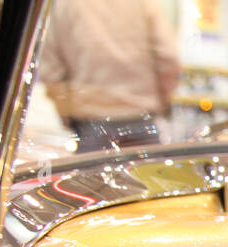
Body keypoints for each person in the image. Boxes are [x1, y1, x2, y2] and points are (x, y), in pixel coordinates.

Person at [39, 0, 181, 154]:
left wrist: (67, 110)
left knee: (91, 177)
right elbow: (168, 57)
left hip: (91, 121)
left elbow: (50, 68)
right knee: (145, 176)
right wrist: (162, 101)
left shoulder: (65, 4)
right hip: (141, 117)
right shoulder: (143, 3)